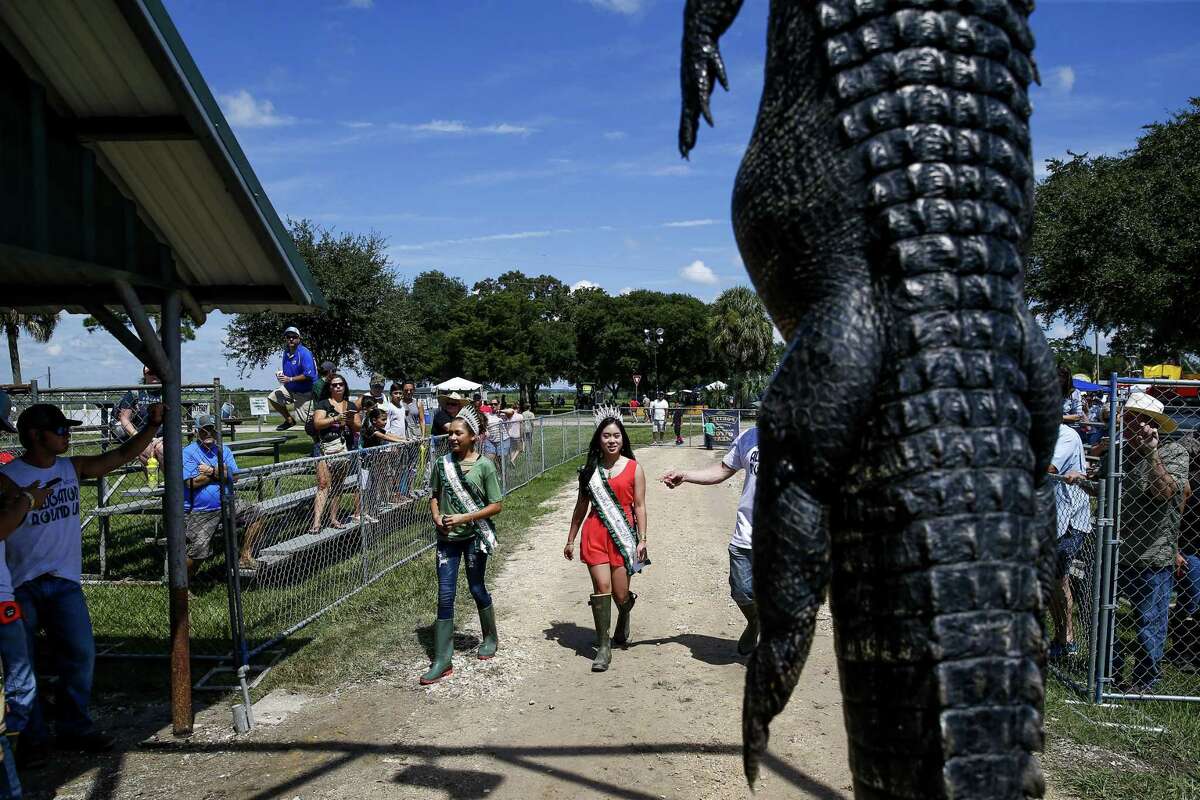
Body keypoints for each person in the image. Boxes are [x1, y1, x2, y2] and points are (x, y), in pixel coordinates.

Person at [0, 400, 164, 755]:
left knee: (79, 654)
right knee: (21, 667)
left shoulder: (71, 468)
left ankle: (74, 726)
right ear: (35, 436)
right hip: (20, 584)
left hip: (63, 582)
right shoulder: (10, 479)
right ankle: (32, 738)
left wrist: (151, 428)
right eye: (60, 430)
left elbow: (119, 456)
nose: (67, 436)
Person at [1066, 391, 1187, 692]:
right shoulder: (1116, 453)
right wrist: (1081, 479)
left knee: (1149, 625)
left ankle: (1145, 683)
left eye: (1144, 421)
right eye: (1132, 418)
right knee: (1100, 615)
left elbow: (1165, 493)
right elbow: (1103, 489)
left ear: (1155, 426)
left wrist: (1151, 453)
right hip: (1113, 550)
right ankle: (1111, 673)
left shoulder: (1173, 453)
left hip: (1152, 554)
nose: (1136, 426)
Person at [660, 424, 760, 655]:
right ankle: (755, 622)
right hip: (746, 533)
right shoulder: (749, 437)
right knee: (741, 591)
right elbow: (723, 470)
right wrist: (685, 475)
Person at [423, 405, 503, 684]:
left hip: (473, 539)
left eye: (459, 433)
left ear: (472, 436)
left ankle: (490, 636)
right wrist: (436, 516)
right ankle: (442, 659)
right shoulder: (441, 464)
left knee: (476, 587)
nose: (453, 438)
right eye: (450, 433)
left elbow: (496, 505)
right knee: (445, 594)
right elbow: (433, 494)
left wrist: (465, 517)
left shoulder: (484, 466)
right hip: (447, 540)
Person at [564, 410, 648, 672]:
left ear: (623, 439)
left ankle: (624, 614)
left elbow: (640, 506)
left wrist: (642, 539)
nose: (611, 440)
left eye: (616, 435)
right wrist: (570, 538)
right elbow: (580, 507)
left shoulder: (634, 468)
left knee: (621, 594)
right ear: (598, 439)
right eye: (606, 436)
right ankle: (603, 646)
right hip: (595, 534)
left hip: (623, 536)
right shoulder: (590, 471)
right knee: (602, 588)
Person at [1047, 368, 1092, 660]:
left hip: (1070, 521)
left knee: (1059, 578)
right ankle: (1061, 636)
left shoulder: (1066, 435)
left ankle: (1068, 639)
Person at [183, 416, 265, 573]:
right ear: (196, 432)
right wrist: (222, 472)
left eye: (211, 429)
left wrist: (211, 471)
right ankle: (184, 585)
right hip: (201, 510)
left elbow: (234, 477)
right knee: (199, 549)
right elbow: (192, 483)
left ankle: (245, 556)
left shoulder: (223, 450)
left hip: (227, 502)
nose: (208, 433)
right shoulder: (188, 453)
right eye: (204, 430)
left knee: (257, 514)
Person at [309, 374, 359, 532]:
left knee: (338, 485)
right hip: (324, 447)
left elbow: (358, 426)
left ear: (345, 387)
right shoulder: (323, 403)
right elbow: (317, 423)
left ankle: (334, 518)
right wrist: (335, 418)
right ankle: (316, 522)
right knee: (323, 484)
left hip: (343, 447)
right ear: (329, 388)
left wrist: (349, 421)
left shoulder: (350, 404)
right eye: (334, 385)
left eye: (340, 384)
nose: (337, 387)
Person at [110, 365, 164, 466]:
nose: (155, 376)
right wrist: (138, 437)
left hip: (162, 436)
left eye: (158, 373)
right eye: (151, 373)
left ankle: (172, 481)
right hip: (139, 435)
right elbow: (124, 418)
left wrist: (159, 439)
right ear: (145, 375)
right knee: (145, 452)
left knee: (161, 450)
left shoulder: (167, 392)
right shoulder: (136, 392)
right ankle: (153, 481)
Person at [266, 326, 317, 431]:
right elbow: (289, 372)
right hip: (290, 388)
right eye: (288, 336)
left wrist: (290, 379)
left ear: (299, 338)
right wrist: (281, 375)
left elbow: (309, 374)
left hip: (305, 391)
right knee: (273, 397)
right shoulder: (286, 352)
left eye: (294, 337)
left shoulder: (304, 353)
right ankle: (289, 421)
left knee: (308, 422)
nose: (291, 339)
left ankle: (319, 442)